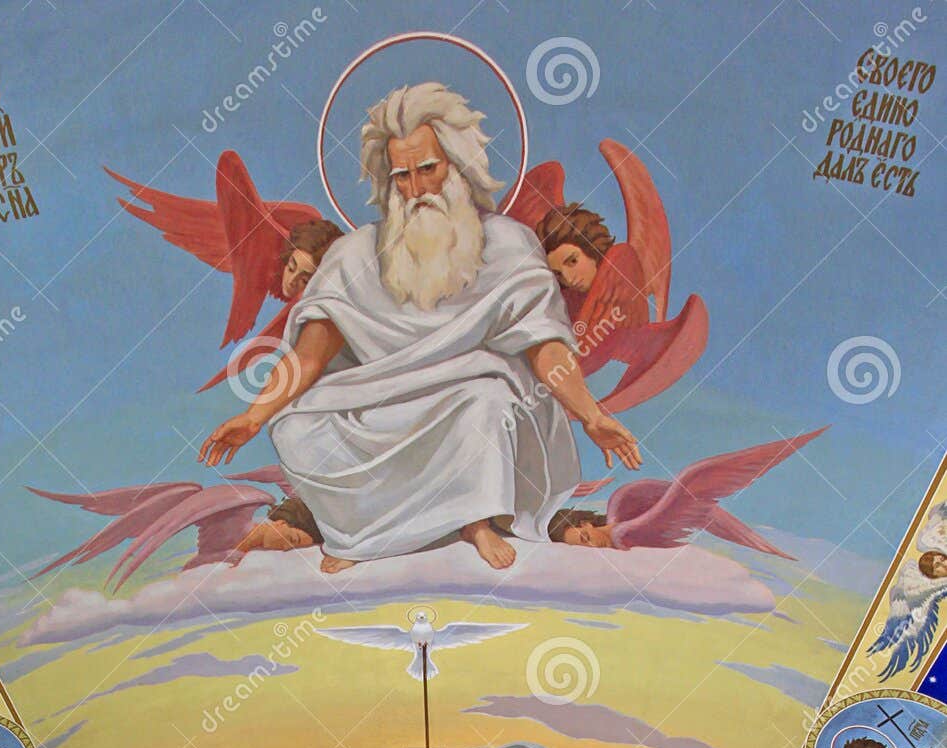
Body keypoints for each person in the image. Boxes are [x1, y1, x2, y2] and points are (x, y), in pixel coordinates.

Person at [200, 82, 639, 572]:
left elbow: (546, 348)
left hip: (470, 399)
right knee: (298, 427)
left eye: (428, 168)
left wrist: (591, 415)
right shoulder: (353, 256)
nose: (417, 188)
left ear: (459, 165)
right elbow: (309, 356)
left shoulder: (509, 247)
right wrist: (254, 417)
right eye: (402, 176)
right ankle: (361, 536)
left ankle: (477, 521)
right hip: (376, 402)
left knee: (488, 402)